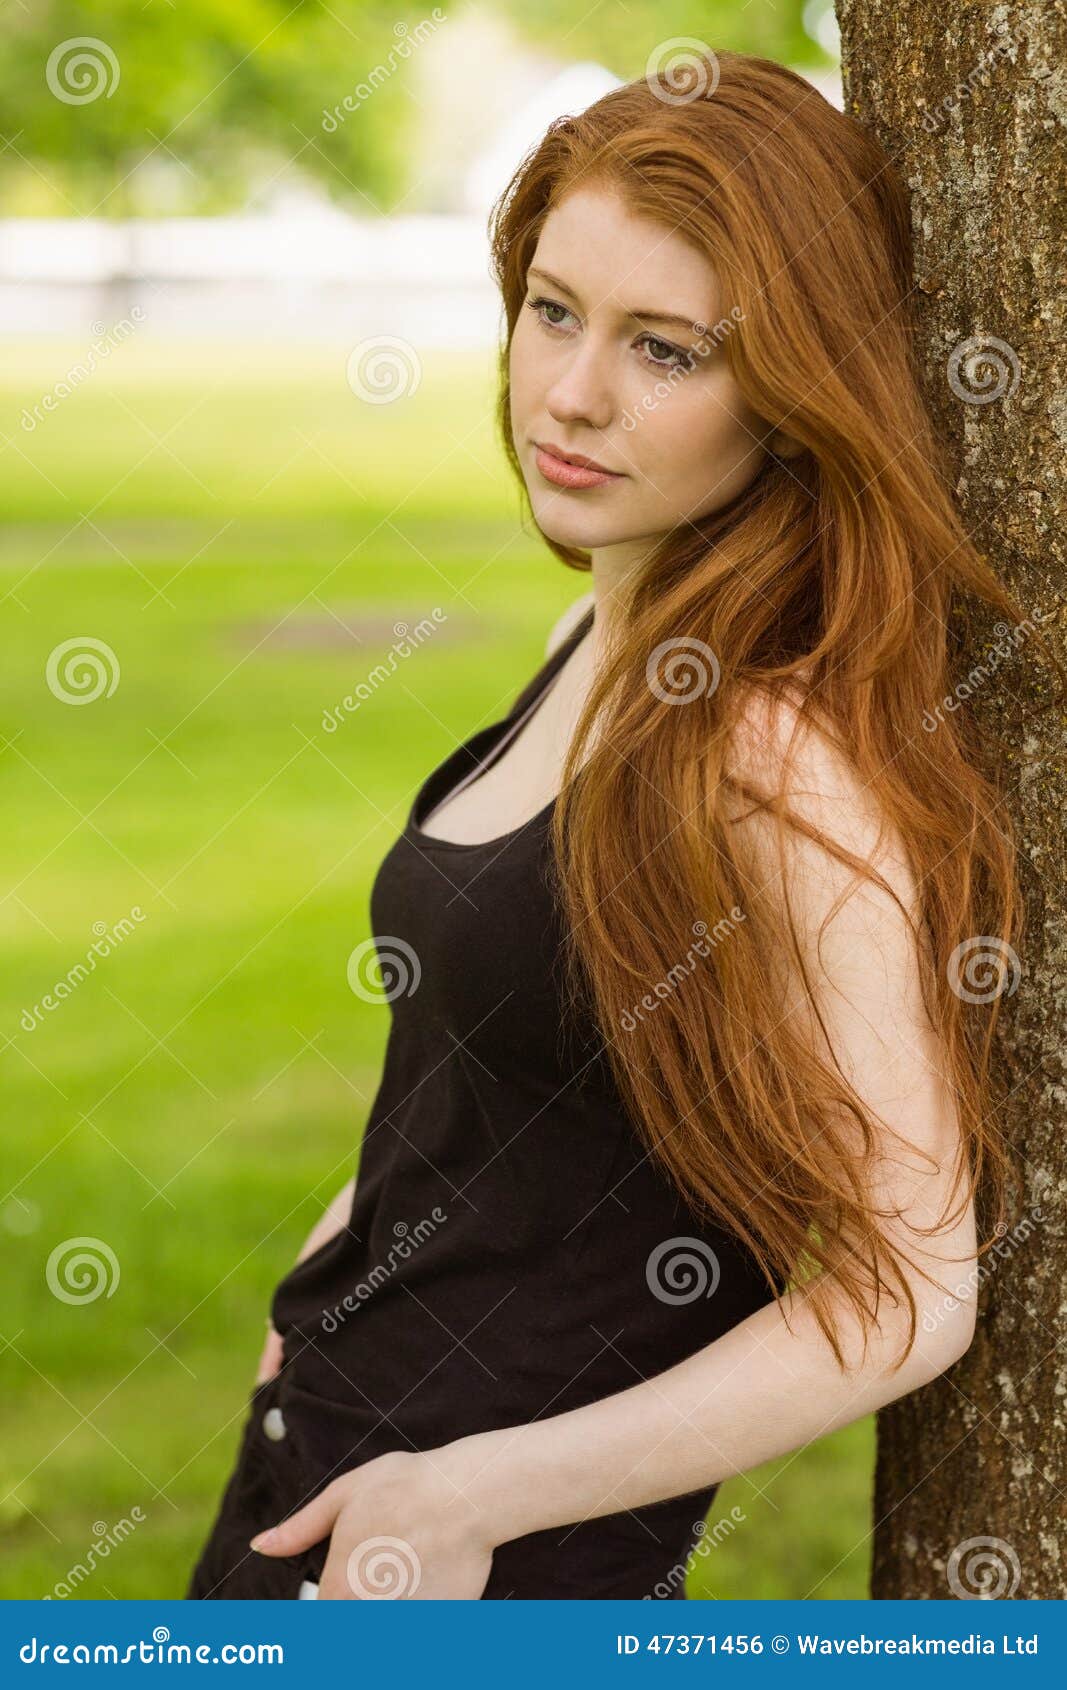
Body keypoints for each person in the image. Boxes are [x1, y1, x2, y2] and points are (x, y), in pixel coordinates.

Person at [185, 48, 1047, 1601]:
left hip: (483, 1563)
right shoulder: (592, 640)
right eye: (553, 309)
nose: (570, 393)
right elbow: (480, 1078)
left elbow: (912, 1286)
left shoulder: (768, 752)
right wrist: (318, 1286)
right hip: (324, 1470)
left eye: (665, 350)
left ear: (792, 393)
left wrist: (469, 1496)